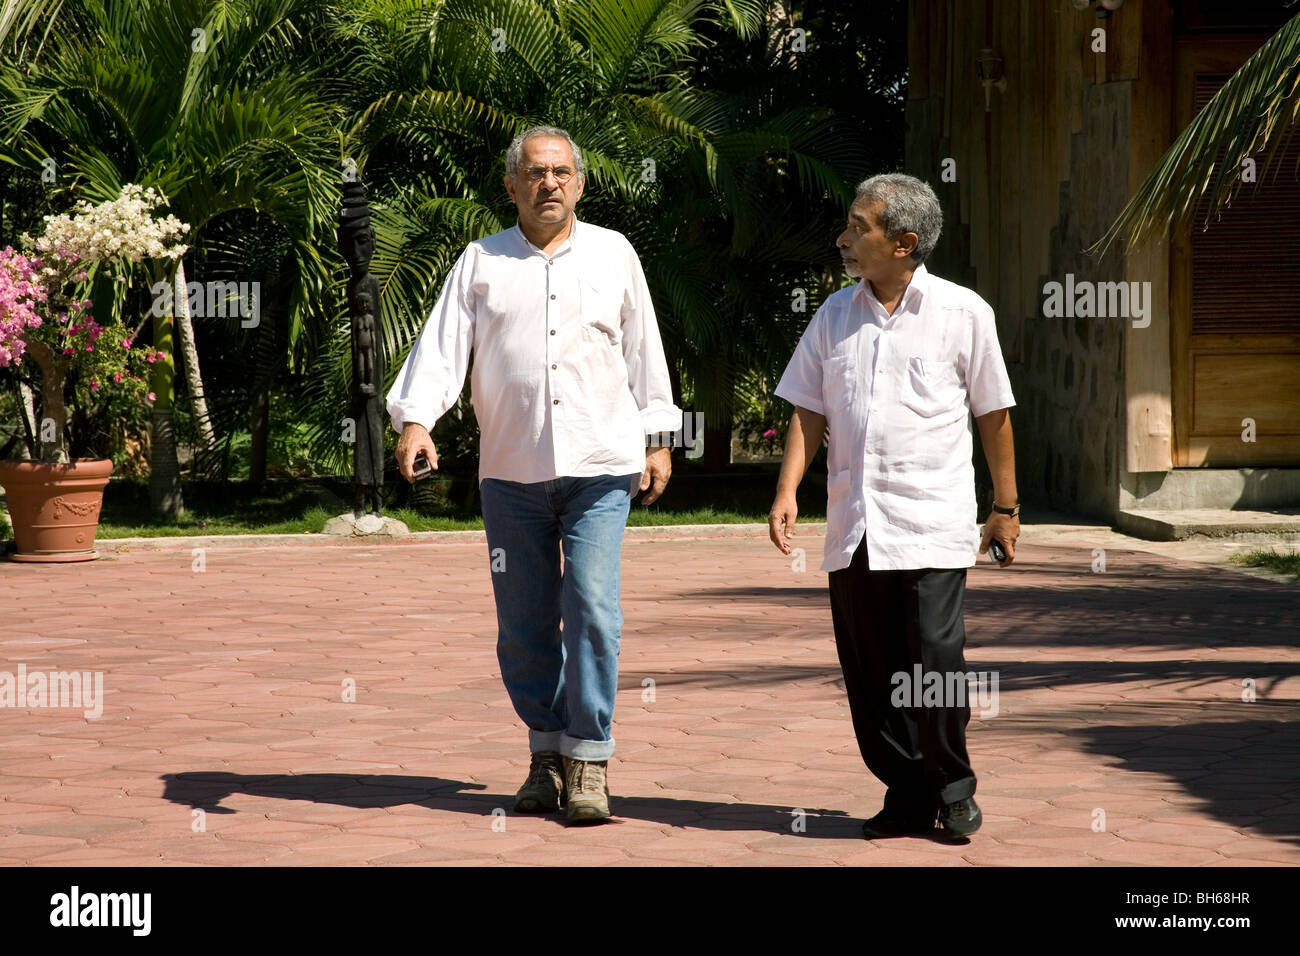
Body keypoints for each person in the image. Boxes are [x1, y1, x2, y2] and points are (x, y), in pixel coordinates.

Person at [386, 126, 682, 823]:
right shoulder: (481, 261)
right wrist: (417, 420)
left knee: (591, 610)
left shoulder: (615, 255)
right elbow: (441, 349)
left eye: (561, 172)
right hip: (511, 474)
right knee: (522, 626)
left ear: (579, 183)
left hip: (602, 469)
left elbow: (645, 352)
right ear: (512, 185)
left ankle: (588, 759)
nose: (549, 183)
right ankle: (545, 754)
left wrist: (658, 436)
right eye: (534, 172)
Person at [767, 173, 1019, 841]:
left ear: (905, 243)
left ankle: (952, 784)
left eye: (859, 227)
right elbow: (808, 409)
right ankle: (905, 792)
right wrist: (788, 488)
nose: (844, 238)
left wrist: (1006, 507)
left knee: (936, 658)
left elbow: (993, 412)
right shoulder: (833, 315)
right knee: (871, 668)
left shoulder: (965, 313)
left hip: (931, 519)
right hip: (856, 523)